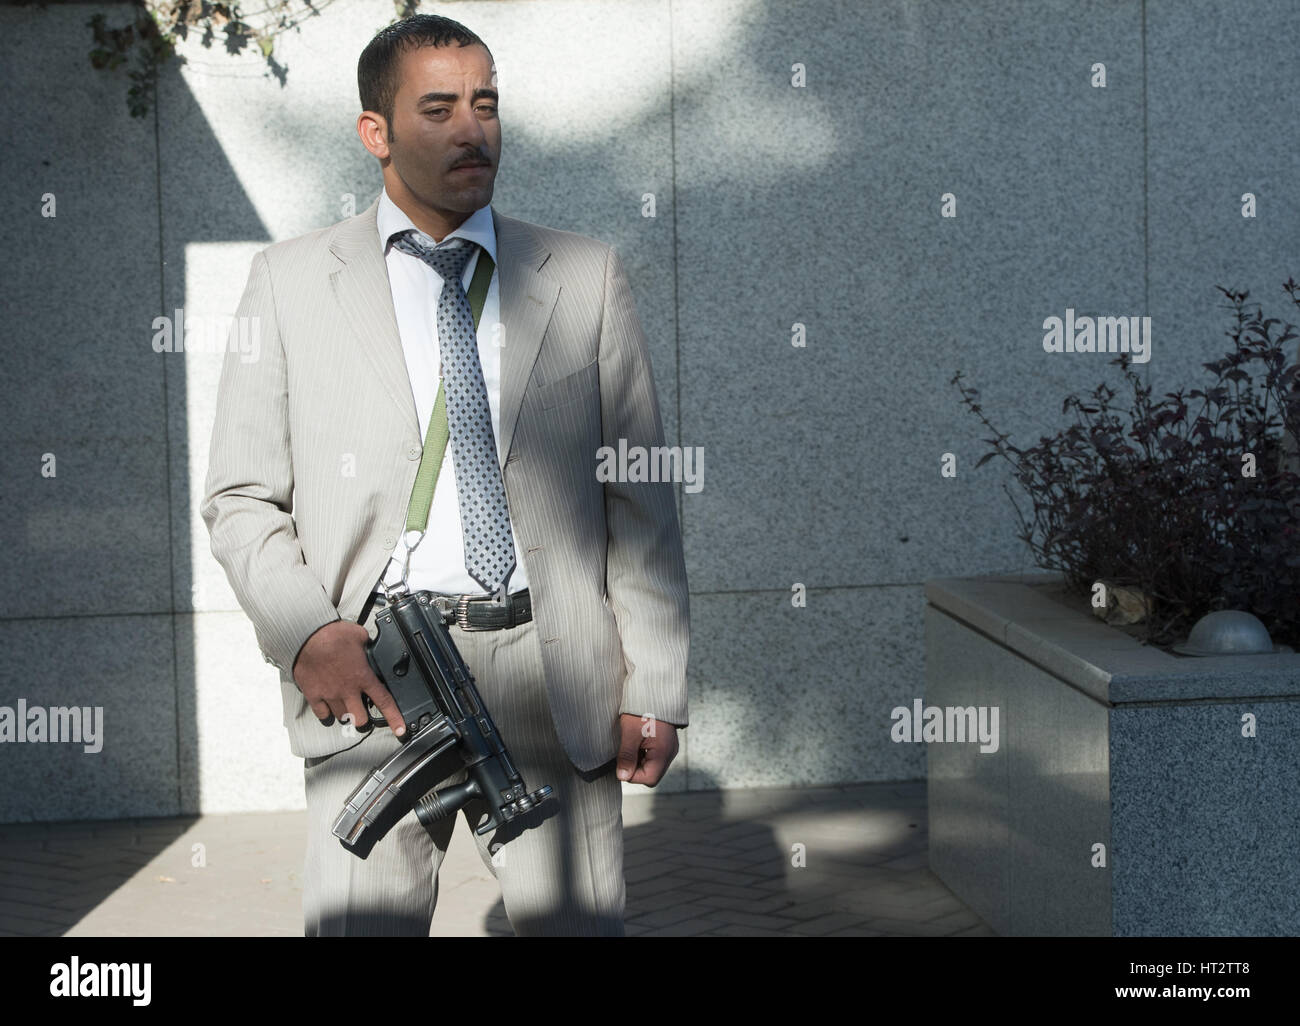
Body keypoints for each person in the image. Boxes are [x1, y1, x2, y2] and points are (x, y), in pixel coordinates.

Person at [200, 13, 690, 937]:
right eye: (438, 110)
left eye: (485, 104)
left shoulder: (583, 275)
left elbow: (638, 497)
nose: (472, 129)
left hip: (550, 667)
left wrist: (655, 681)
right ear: (375, 132)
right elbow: (240, 497)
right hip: (377, 672)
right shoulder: (290, 282)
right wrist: (307, 632)